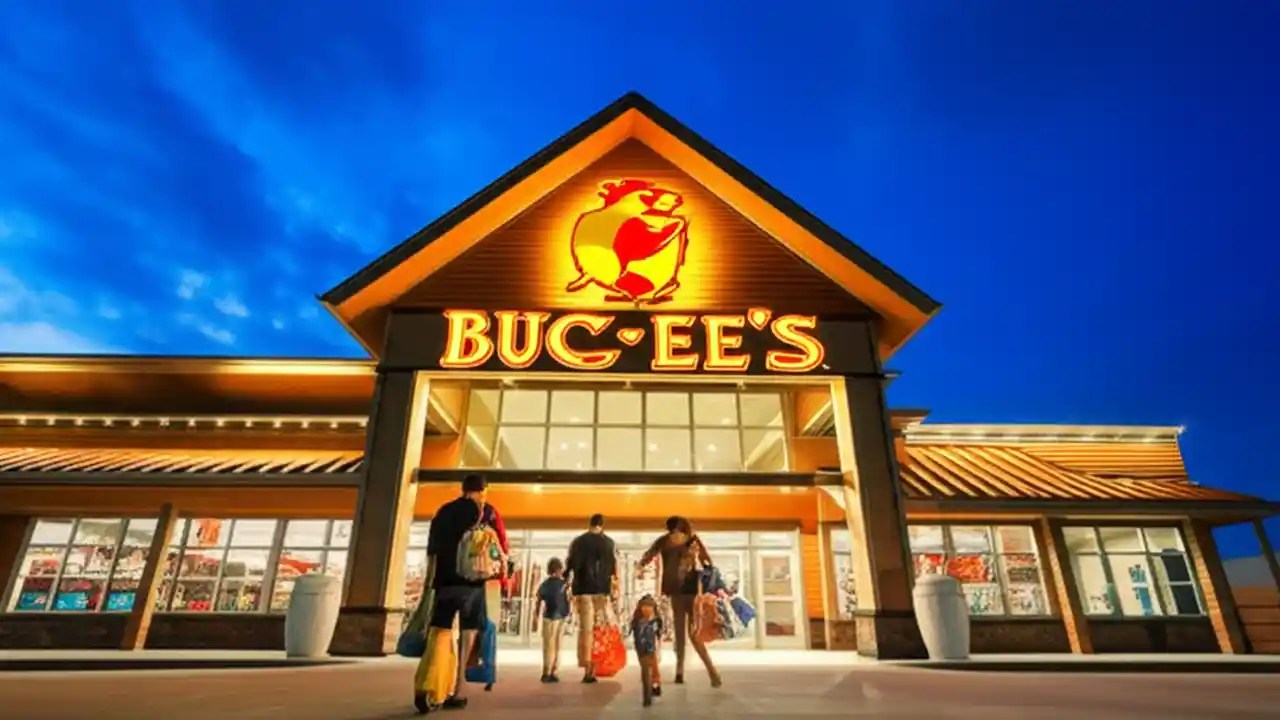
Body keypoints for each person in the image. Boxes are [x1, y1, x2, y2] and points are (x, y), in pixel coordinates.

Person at [414, 473, 493, 714]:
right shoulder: (483, 511)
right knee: (468, 633)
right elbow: (489, 546)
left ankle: (427, 686)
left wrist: (430, 584)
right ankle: (456, 690)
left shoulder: (443, 512)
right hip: (471, 582)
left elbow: (432, 552)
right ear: (483, 489)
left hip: (444, 582)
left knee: (440, 632)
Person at [639, 515, 721, 688]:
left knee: (687, 633)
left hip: (684, 593)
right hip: (683, 592)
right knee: (686, 634)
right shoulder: (677, 541)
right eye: (673, 532)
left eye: (677, 532)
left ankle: (696, 670)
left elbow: (707, 563)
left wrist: (640, 568)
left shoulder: (679, 541)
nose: (675, 536)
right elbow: (650, 554)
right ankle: (695, 671)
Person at [564, 513, 618, 683]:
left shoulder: (579, 542)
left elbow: (571, 564)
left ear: (590, 524)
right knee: (599, 629)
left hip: (584, 590)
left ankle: (588, 669)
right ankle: (598, 665)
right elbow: (612, 569)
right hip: (602, 591)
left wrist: (568, 583)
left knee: (586, 630)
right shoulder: (609, 543)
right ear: (602, 525)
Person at [534, 557, 569, 683]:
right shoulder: (564, 584)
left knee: (548, 645)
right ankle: (554, 671)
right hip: (562, 617)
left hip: (549, 616)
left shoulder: (545, 584)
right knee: (558, 646)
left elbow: (539, 600)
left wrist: (536, 616)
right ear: (559, 569)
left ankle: (546, 672)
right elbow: (568, 600)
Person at [631, 594, 664, 707]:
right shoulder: (642, 621)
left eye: (649, 607)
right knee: (649, 667)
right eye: (645, 606)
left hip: (648, 647)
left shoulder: (651, 621)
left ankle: (653, 685)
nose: (647, 609)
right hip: (644, 647)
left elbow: (658, 633)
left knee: (651, 667)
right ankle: (652, 686)